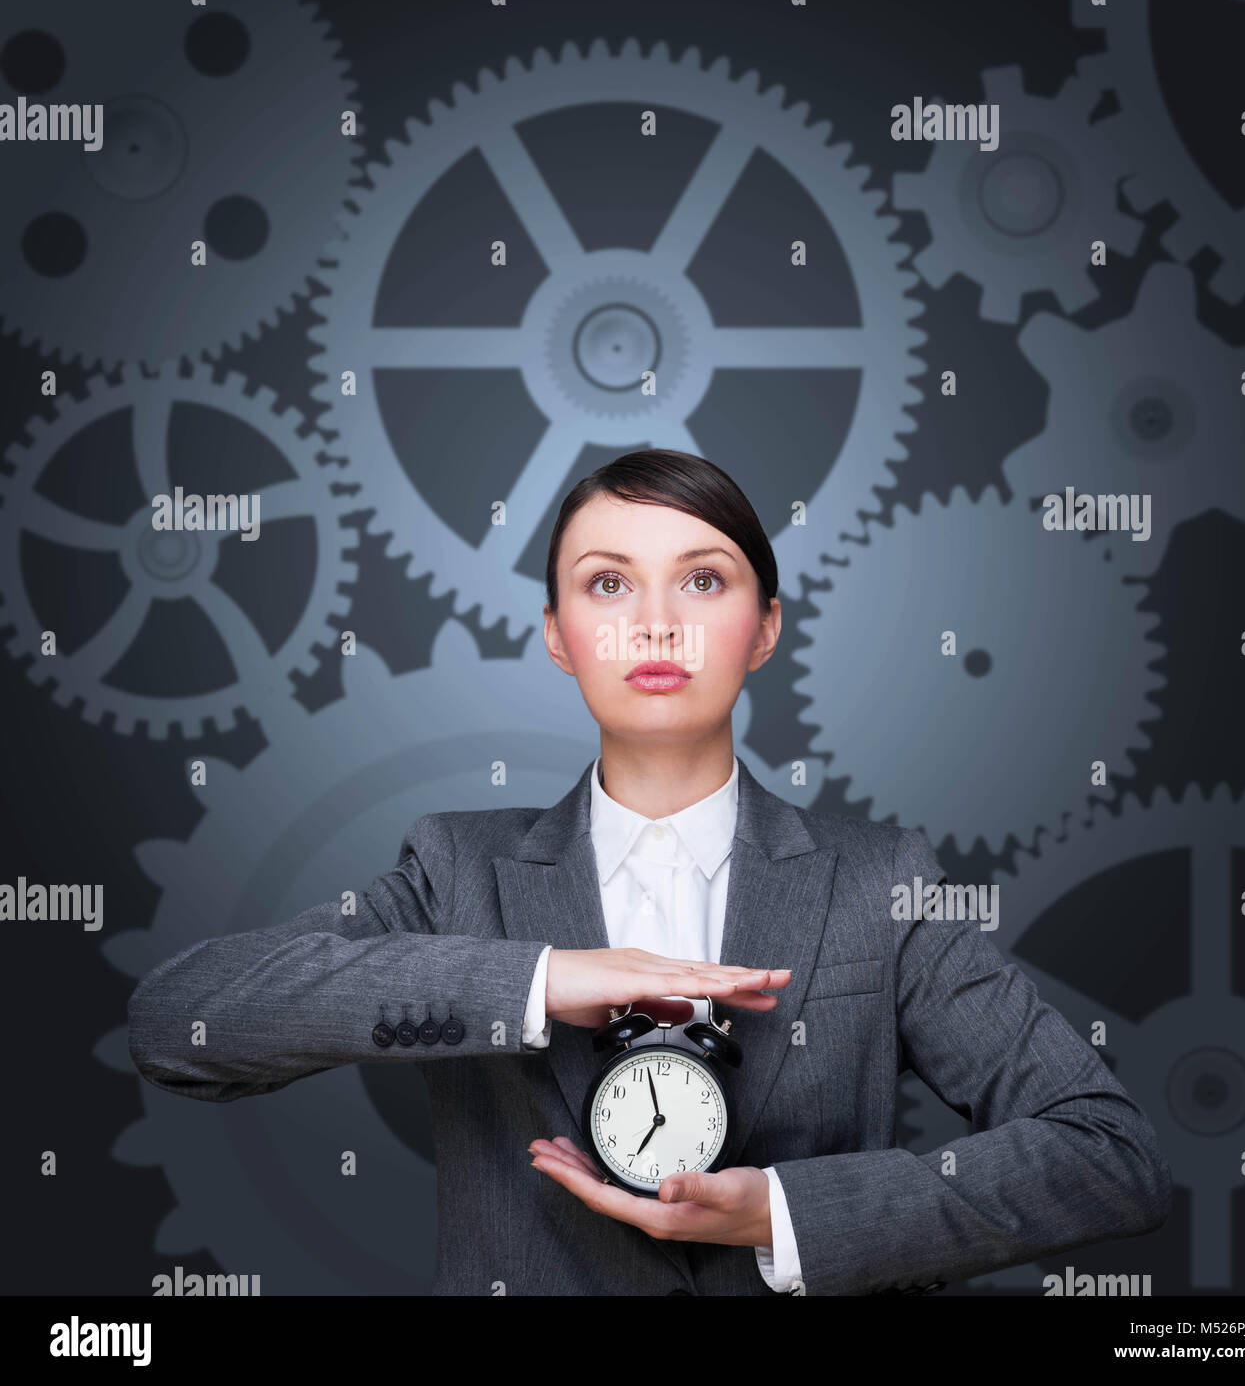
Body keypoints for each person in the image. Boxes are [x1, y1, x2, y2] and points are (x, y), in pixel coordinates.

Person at [127, 448, 1172, 1295]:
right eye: (608, 583)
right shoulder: (457, 866)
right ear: (557, 636)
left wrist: (785, 1214)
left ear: (763, 628)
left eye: (704, 579)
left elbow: (1108, 1154)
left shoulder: (881, 878)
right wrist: (535, 980)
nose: (656, 621)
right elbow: (180, 1025)